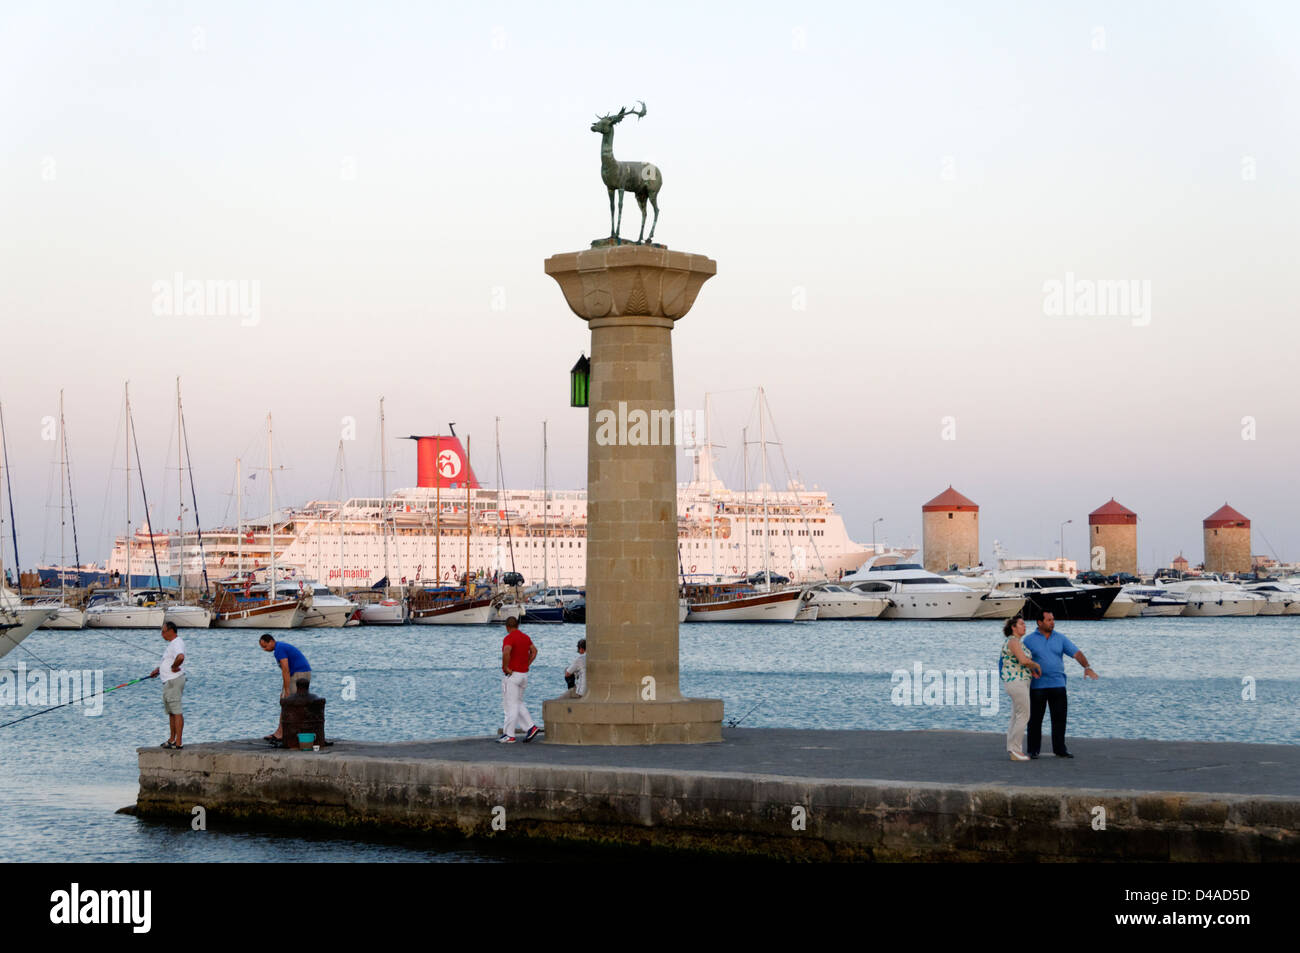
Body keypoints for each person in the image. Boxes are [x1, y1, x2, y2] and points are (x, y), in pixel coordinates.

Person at [1022, 611, 1099, 759]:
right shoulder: (1029, 640)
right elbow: (1022, 660)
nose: (1052, 622)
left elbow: (1076, 653)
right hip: (1038, 686)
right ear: (1039, 622)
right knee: (1035, 720)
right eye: (1049, 620)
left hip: (1058, 684)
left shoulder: (1060, 638)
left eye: (1053, 620)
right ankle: (1033, 750)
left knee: (1059, 719)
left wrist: (1087, 667)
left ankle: (1060, 749)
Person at [999, 616, 1040, 761]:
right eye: (1021, 624)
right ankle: (1016, 750)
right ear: (1013, 627)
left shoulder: (1016, 642)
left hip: (1018, 682)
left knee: (1016, 716)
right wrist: (1036, 665)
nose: (1025, 626)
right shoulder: (1013, 641)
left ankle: (1012, 748)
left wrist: (1031, 670)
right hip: (1016, 682)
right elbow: (1023, 660)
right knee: (1024, 715)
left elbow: (1020, 662)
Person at [258, 634, 311, 744]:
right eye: (262, 647)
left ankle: (284, 733)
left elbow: (285, 669)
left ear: (271, 641)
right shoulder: (280, 648)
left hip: (299, 674)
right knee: (285, 701)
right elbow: (286, 672)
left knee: (289, 701)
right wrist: (284, 689)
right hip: (297, 673)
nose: (264, 649)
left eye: (265, 646)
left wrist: (287, 690)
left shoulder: (279, 650)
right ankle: (280, 731)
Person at [500, 616, 539, 743]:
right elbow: (534, 651)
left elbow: (506, 651)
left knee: (511, 705)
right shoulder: (525, 637)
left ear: (507, 627)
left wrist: (506, 667)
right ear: (518, 625)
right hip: (524, 675)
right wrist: (527, 663)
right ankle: (531, 727)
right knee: (518, 703)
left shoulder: (509, 638)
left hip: (513, 675)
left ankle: (510, 735)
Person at [149, 620, 187, 749]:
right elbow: (168, 660)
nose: (162, 635)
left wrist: (174, 666)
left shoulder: (177, 643)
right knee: (171, 712)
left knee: (176, 711)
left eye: (163, 632)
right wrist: (158, 670)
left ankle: (178, 742)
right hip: (168, 682)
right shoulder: (172, 644)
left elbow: (180, 657)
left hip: (174, 681)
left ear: (171, 631)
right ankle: (172, 739)